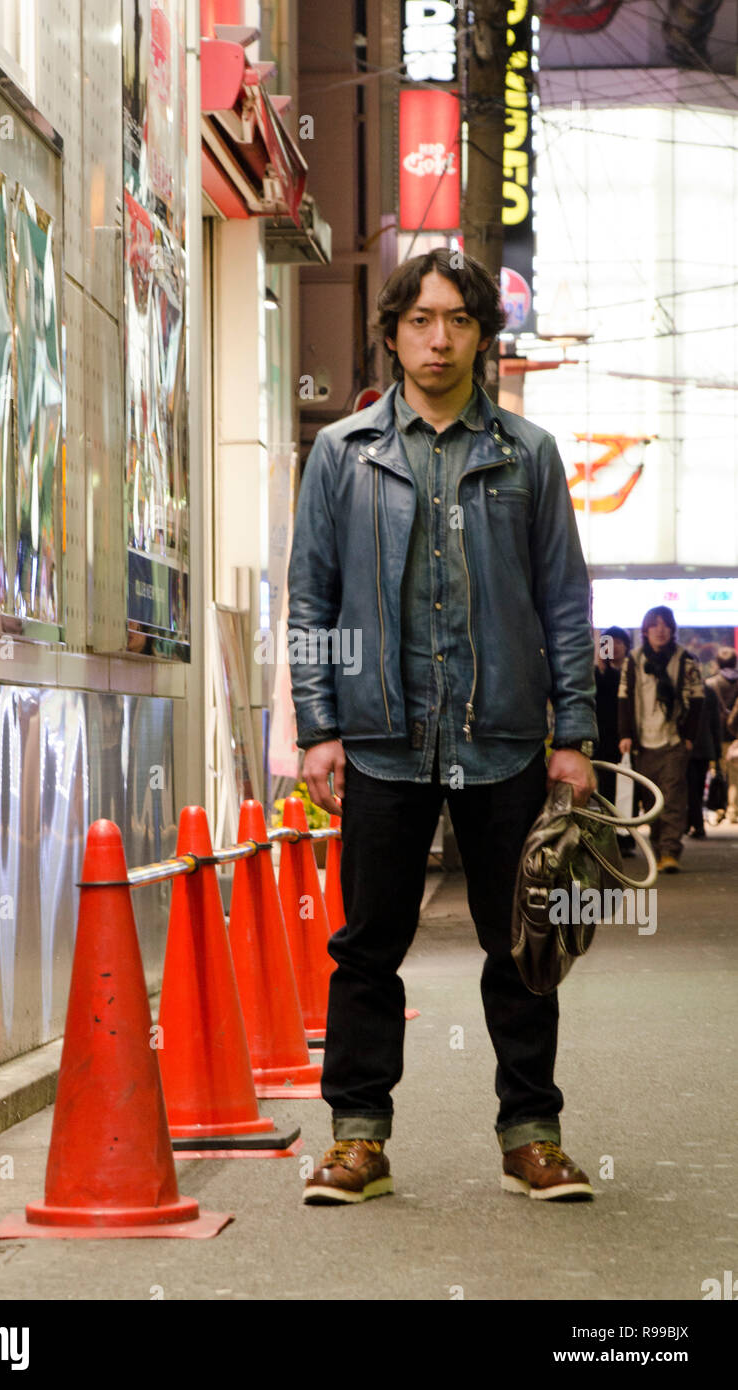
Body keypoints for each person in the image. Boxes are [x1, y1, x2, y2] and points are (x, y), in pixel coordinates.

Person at [287, 249, 599, 1207]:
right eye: (420, 319)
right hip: (383, 738)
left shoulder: (526, 454)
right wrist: (319, 723)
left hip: (501, 737)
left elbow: (563, 602)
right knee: (367, 945)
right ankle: (357, 1140)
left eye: (457, 320)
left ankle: (532, 1133)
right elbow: (314, 598)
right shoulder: (344, 453)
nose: (437, 337)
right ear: (392, 331)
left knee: (523, 944)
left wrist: (573, 734)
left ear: (480, 335)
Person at [617, 606, 703, 872]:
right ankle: (658, 844)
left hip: (673, 740)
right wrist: (625, 735)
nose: (660, 630)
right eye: (654, 625)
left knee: (673, 795)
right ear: (646, 630)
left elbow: (698, 699)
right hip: (643, 742)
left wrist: (688, 737)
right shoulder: (633, 660)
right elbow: (624, 698)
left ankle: (669, 850)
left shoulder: (686, 659)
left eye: (665, 624)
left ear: (672, 629)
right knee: (650, 799)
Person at [594, 625, 634, 853]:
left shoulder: (633, 672)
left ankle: (626, 836)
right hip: (603, 738)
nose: (614, 647)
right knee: (606, 790)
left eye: (619, 642)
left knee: (628, 789)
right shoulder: (597, 675)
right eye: (608, 643)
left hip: (625, 739)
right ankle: (608, 836)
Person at [706, 647, 738, 823]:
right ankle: (733, 811)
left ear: (718, 662)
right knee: (735, 776)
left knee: (717, 772)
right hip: (736, 736)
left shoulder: (711, 684)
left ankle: (718, 809)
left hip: (716, 736)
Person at [686, 682, 722, 837]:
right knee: (698, 788)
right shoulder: (709, 691)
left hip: (687, 745)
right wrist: (716, 749)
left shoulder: (683, 689)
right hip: (705, 746)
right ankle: (691, 822)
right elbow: (716, 722)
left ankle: (697, 825)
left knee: (691, 788)